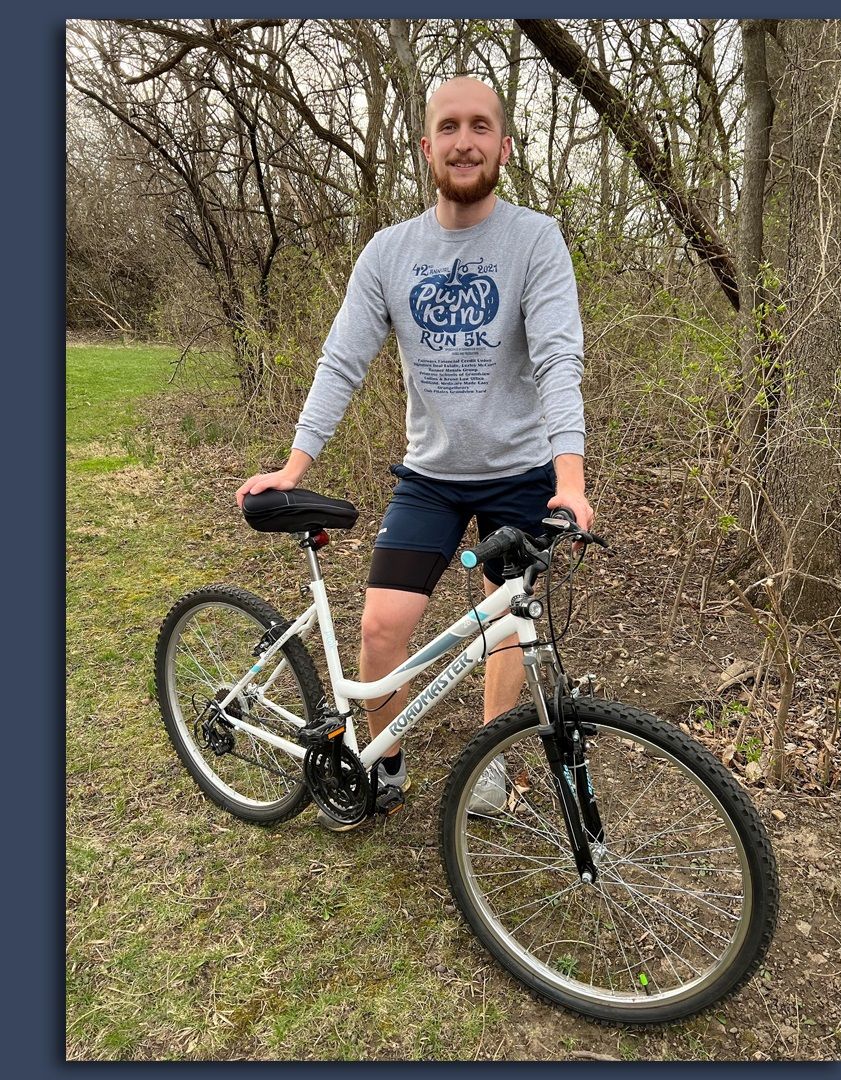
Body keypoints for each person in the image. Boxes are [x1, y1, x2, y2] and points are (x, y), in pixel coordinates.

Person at [234, 76, 594, 829]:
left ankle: (493, 767)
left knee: (506, 623)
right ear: (427, 147)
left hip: (522, 473)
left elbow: (560, 359)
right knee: (379, 628)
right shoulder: (390, 252)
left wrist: (570, 476)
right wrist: (294, 466)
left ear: (503, 143)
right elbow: (342, 361)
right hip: (429, 479)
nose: (465, 140)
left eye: (481, 126)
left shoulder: (535, 239)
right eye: (450, 127)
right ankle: (384, 765)